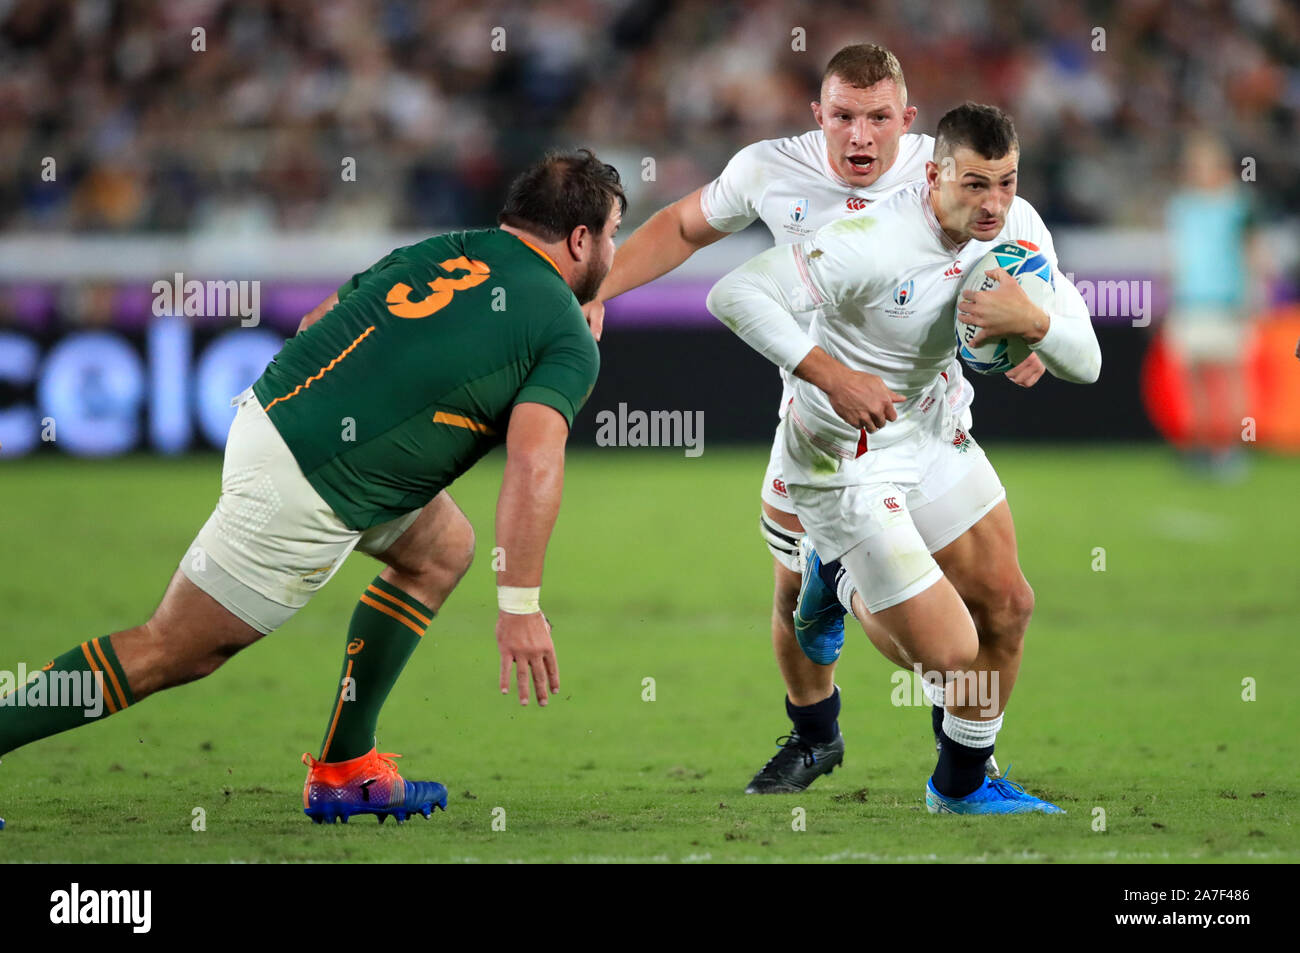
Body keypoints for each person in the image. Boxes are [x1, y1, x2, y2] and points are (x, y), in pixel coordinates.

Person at [0, 149, 623, 827]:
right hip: (311, 478)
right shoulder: (563, 332)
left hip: (273, 413)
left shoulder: (444, 247)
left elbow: (316, 322)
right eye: (615, 233)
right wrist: (521, 604)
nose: (616, 251)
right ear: (581, 239)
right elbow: (535, 464)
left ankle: (346, 767)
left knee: (441, 550)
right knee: (169, 649)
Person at [585, 44, 1036, 792]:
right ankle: (816, 735)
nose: (861, 136)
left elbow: (1021, 247)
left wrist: (1034, 331)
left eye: (879, 118)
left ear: (908, 122)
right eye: (845, 117)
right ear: (817, 116)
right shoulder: (770, 169)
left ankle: (967, 762)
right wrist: (600, 289)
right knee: (796, 592)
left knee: (987, 608)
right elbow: (684, 227)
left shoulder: (947, 167)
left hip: (928, 418)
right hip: (823, 420)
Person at [706, 103, 1100, 813]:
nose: (995, 204)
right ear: (934, 173)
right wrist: (833, 374)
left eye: (1007, 182)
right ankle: (833, 582)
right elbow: (735, 292)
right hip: (841, 456)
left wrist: (1034, 323)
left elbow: (1089, 360)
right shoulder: (871, 240)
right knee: (950, 655)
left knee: (1008, 608)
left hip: (929, 433)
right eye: (975, 184)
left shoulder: (1017, 228)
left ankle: (961, 785)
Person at [1164, 130, 1266, 481]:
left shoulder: (1238, 204)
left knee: (1231, 378)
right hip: (1191, 301)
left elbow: (1252, 253)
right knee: (1194, 380)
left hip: (1227, 302)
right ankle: (1202, 449)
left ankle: (1234, 450)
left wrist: (1252, 295)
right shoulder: (1181, 206)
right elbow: (1177, 257)